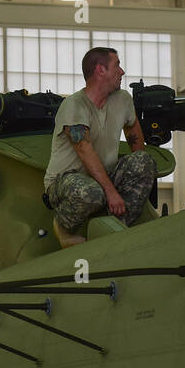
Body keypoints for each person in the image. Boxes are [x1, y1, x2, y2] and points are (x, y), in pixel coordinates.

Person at [43, 46, 155, 248]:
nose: (122, 72)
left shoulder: (122, 99)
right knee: (92, 193)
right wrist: (111, 192)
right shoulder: (74, 105)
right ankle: (62, 225)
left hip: (105, 175)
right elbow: (84, 150)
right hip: (66, 180)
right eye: (117, 66)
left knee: (144, 162)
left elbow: (132, 127)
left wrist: (142, 169)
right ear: (100, 70)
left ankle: (113, 227)